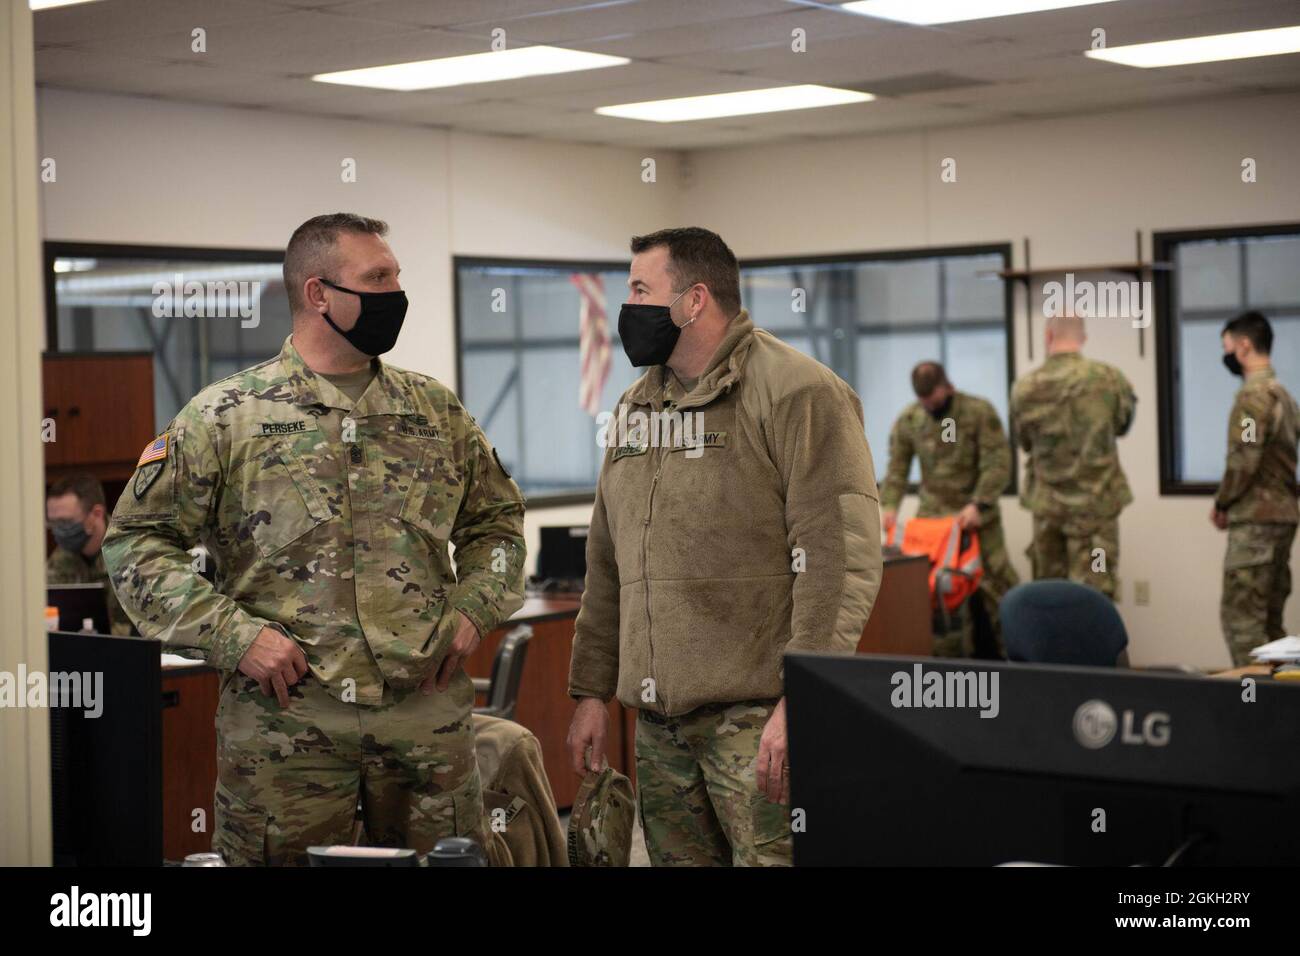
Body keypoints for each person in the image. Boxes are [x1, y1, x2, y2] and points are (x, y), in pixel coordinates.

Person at [102, 213, 526, 865]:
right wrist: (234, 636)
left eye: (396, 276)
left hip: (423, 714)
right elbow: (135, 546)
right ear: (318, 294)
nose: (395, 293)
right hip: (285, 726)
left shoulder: (433, 411)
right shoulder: (226, 417)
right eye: (376, 277)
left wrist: (475, 607)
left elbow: (495, 525)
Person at [565, 226, 883, 866]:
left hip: (759, 718)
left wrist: (805, 699)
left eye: (640, 290)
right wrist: (590, 692)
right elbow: (607, 562)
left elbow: (836, 561)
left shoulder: (799, 392)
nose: (628, 307)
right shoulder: (637, 405)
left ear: (694, 300)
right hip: (658, 727)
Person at [879, 362, 1017, 657]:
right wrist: (889, 506)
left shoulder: (978, 412)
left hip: (977, 518)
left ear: (947, 385)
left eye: (934, 399)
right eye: (923, 401)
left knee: (998, 590)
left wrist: (979, 503)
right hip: (934, 527)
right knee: (937, 596)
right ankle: (946, 670)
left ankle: (1013, 662)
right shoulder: (911, 419)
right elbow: (897, 469)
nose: (929, 405)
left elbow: (998, 463)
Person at [1010, 313, 1135, 600]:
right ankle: (1093, 646)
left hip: (1048, 512)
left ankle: (1053, 647)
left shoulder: (1025, 387)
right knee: (1096, 594)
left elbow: (1024, 442)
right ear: (1083, 338)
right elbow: (1122, 426)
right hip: (1097, 509)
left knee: (1049, 596)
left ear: (1048, 336)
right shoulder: (1110, 379)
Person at [1211, 311, 1298, 667]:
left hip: (1256, 524)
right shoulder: (1284, 397)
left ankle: (1249, 704)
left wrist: (1223, 502)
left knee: (1243, 622)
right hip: (1283, 518)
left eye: (1227, 346)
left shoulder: (1253, 399)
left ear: (1244, 345)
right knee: (1270, 625)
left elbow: (1246, 456)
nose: (1227, 354)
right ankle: (1278, 709)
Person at [45, 473, 131, 635]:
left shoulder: (133, 552)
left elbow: (151, 627)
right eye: (53, 523)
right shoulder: (59, 561)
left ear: (96, 514)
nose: (58, 531)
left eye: (66, 522)